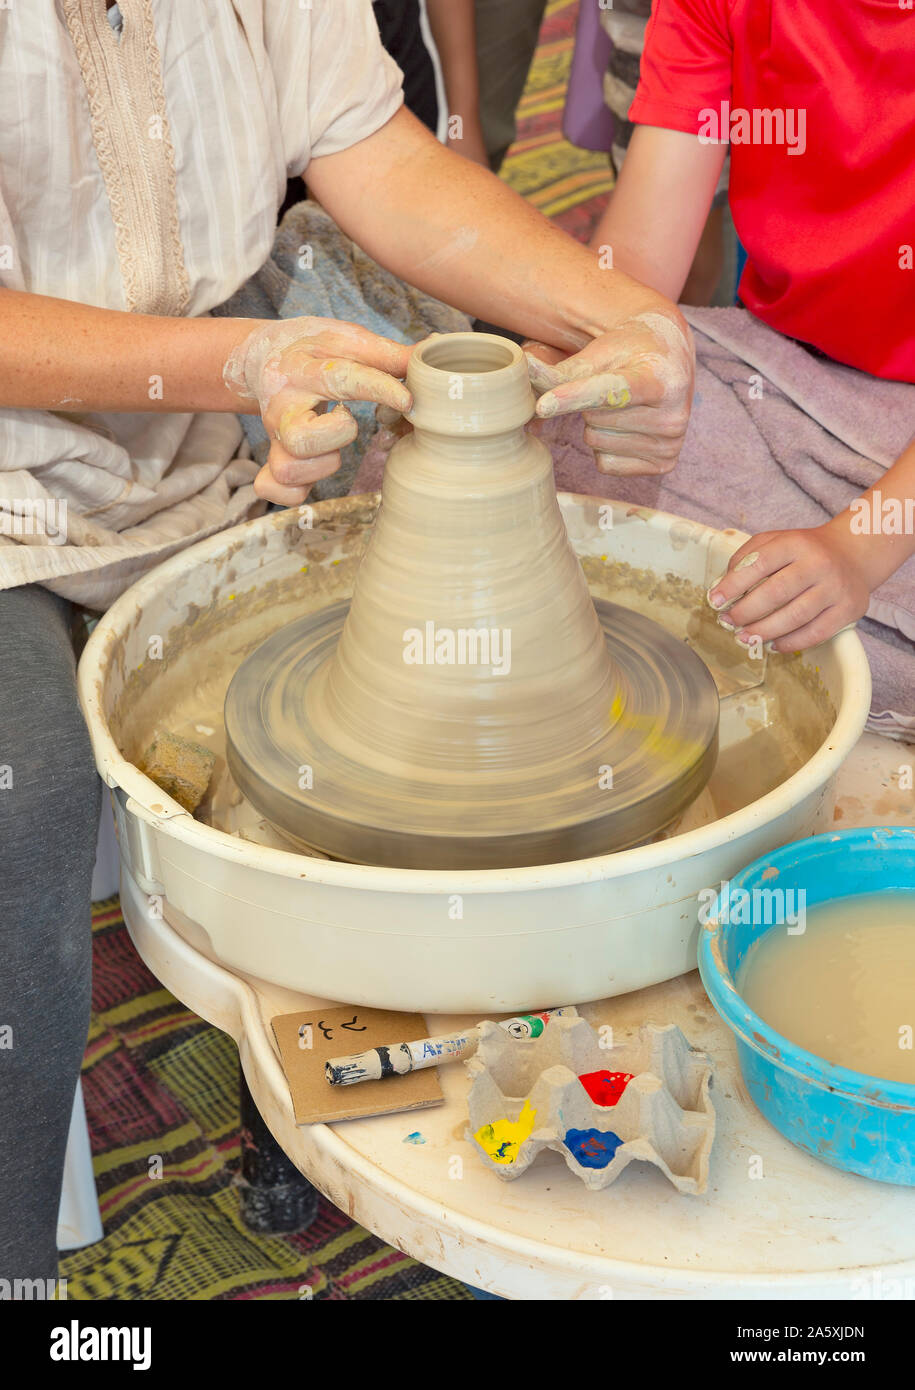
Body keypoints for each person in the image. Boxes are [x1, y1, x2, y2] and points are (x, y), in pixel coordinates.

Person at [0, 0, 691, 1286]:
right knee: (17, 792)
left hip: (220, 417)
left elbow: (378, 154)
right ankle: (15, 1269)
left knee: (421, 686)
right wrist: (242, 360)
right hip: (25, 471)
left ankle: (323, 1093)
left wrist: (624, 318)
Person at [587, 0, 915, 655]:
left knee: (811, 632)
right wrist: (566, 372)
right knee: (535, 462)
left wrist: (855, 549)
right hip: (788, 361)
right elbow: (633, 280)